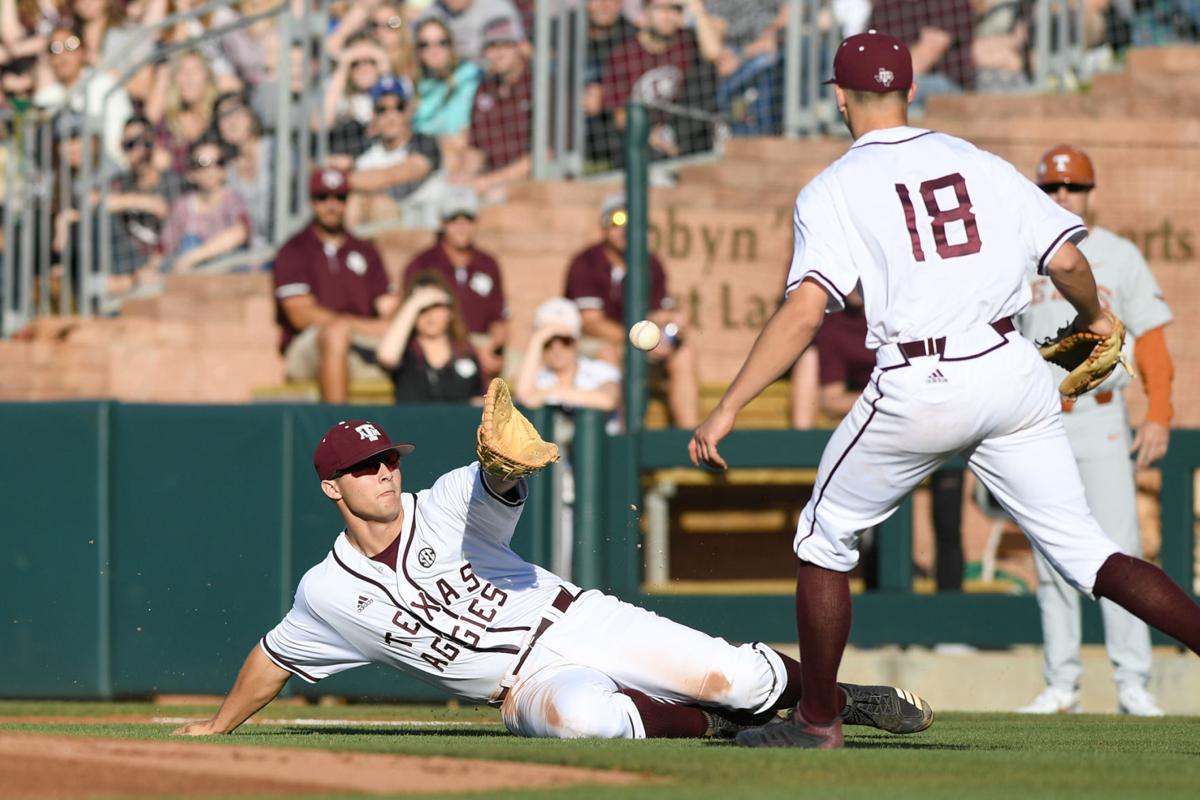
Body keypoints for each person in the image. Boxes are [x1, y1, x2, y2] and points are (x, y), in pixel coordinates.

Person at [689, 30, 1200, 749]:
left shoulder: (833, 186)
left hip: (922, 377)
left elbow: (807, 308)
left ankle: (817, 721)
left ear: (839, 97)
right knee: (1088, 550)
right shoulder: (975, 160)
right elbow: (1066, 258)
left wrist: (728, 405)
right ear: (910, 91)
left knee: (824, 537)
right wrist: (1094, 315)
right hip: (1010, 365)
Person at [171, 411, 934, 740]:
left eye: (386, 459)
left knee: (737, 678)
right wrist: (218, 724)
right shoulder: (328, 593)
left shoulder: (440, 503)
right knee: (589, 725)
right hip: (520, 687)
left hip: (574, 619)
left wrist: (502, 464)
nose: (380, 472)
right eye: (361, 468)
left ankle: (842, 700)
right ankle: (712, 729)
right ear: (332, 487)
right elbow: (273, 658)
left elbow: (494, 483)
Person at [1015, 145, 1175, 717]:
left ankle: (1133, 681)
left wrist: (1159, 412)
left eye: (1074, 189)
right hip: (1040, 420)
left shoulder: (1120, 255)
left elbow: (1152, 341)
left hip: (1103, 416)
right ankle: (1062, 682)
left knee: (1119, 551)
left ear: (1091, 193)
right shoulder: (1023, 253)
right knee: (1050, 557)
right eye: (1053, 190)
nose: (1064, 199)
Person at [565, 193, 698, 428]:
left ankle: (691, 441)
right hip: (590, 344)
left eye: (632, 222)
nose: (624, 229)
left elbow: (659, 313)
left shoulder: (651, 263)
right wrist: (641, 339)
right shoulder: (586, 261)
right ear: (604, 226)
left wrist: (671, 326)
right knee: (609, 354)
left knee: (684, 353)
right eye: (617, 221)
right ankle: (621, 439)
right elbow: (591, 324)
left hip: (637, 343)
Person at [272, 167, 399, 404]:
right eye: (323, 197)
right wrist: (353, 325)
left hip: (361, 343)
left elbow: (389, 309)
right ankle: (340, 432)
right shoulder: (294, 250)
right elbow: (300, 315)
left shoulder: (365, 250)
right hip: (309, 347)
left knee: (414, 331)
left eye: (339, 197)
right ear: (312, 202)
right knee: (336, 332)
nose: (331, 205)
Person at [401, 187, 509, 380]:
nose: (461, 227)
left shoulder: (488, 264)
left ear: (476, 222)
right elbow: (413, 322)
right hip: (434, 344)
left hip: (481, 342)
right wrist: (470, 351)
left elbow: (499, 319)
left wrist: (492, 346)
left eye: (468, 219)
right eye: (454, 220)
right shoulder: (422, 264)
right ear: (442, 222)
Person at [599, 0, 722, 159]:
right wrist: (649, 135)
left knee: (705, 74)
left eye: (676, 9)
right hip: (644, 135)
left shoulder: (686, 40)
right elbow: (619, 114)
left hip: (683, 128)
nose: (669, 16)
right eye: (662, 9)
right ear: (645, 12)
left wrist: (696, 8)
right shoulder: (623, 54)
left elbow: (714, 53)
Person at [32, 25, 134, 165]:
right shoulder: (45, 97)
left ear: (83, 51)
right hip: (64, 180)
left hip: (110, 173)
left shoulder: (105, 85)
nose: (62, 55)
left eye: (70, 45)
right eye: (54, 48)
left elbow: (126, 133)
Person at [348, 75, 442, 226]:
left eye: (398, 107)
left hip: (426, 226)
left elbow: (403, 172)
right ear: (373, 115)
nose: (391, 116)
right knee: (356, 200)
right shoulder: (366, 152)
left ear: (409, 111)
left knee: (379, 203)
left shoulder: (425, 142)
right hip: (385, 228)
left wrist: (349, 179)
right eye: (382, 110)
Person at [376, 273, 484, 404]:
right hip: (413, 423)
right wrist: (414, 303)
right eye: (423, 309)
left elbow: (478, 399)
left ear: (450, 311)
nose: (430, 315)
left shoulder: (466, 352)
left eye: (436, 305)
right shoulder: (405, 352)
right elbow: (387, 357)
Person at [458, 17, 532, 201]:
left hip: (532, 179)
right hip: (490, 177)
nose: (497, 54)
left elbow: (546, 155)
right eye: (490, 47)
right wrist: (463, 177)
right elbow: (476, 148)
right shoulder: (484, 88)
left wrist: (489, 181)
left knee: (494, 197)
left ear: (520, 46)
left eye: (504, 45)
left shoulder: (540, 85)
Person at [157, 134, 250, 274]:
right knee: (189, 242)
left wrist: (192, 257)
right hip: (192, 281)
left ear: (224, 170)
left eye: (218, 162)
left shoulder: (233, 199)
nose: (211, 170)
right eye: (203, 163)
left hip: (228, 275)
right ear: (190, 173)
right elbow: (166, 247)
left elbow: (240, 233)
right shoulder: (182, 206)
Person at [514, 297, 621, 417]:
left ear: (577, 342)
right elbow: (524, 397)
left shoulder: (600, 370)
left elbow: (607, 400)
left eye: (565, 341)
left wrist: (551, 393)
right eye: (548, 342)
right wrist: (537, 339)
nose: (556, 349)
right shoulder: (538, 376)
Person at [411, 18, 481, 179]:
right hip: (422, 156)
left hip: (460, 155)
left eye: (441, 42)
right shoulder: (415, 85)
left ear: (451, 45)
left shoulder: (469, 76)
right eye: (425, 45)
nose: (433, 50)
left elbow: (465, 138)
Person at [213, 90, 273, 250]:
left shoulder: (275, 149)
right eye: (223, 117)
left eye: (236, 113)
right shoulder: (227, 170)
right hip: (251, 252)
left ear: (251, 116)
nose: (231, 122)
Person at [421, 0, 526, 64]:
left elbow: (521, 51)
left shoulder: (497, 10)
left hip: (490, 81)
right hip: (447, 81)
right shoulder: (433, 12)